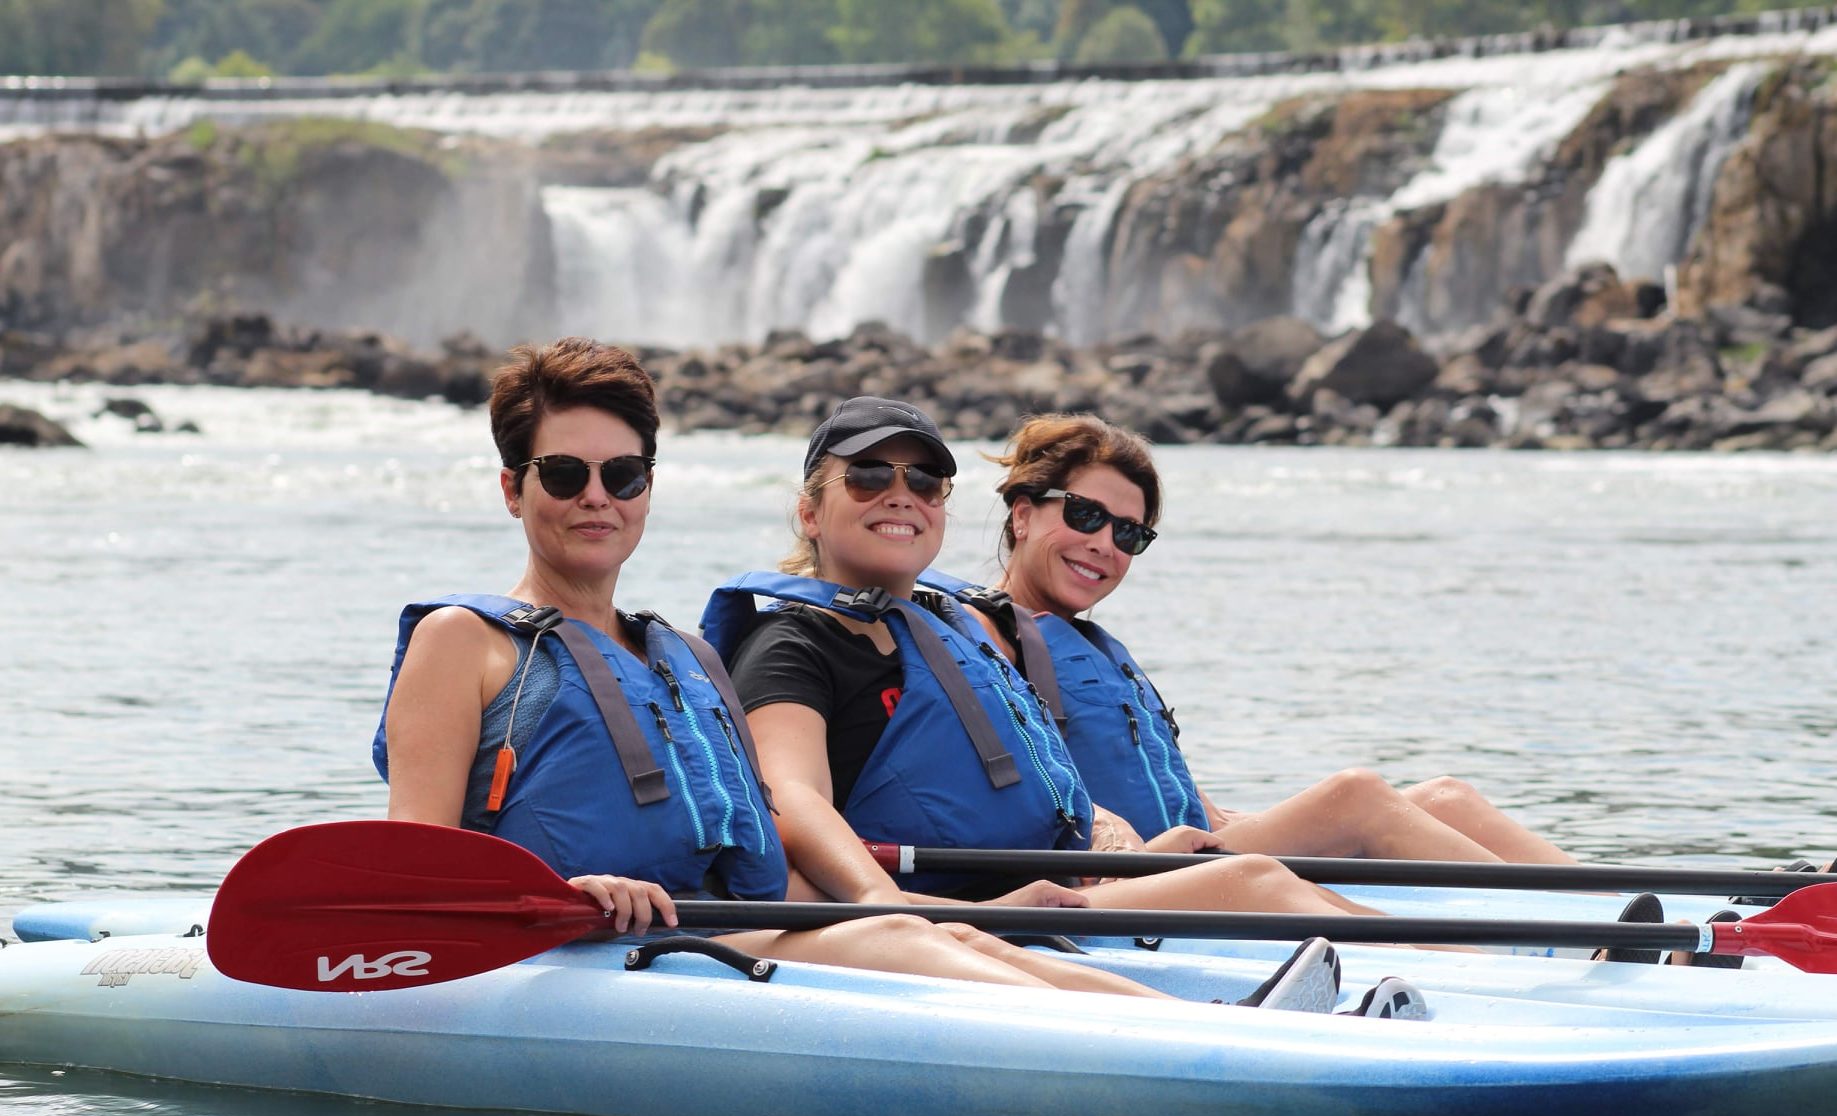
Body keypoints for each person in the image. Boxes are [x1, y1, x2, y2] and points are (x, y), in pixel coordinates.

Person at [370, 338, 1378, 1009]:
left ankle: (1244, 1033)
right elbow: (410, 875)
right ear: (514, 488)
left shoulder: (679, 659)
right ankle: (1226, 1043)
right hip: (578, 959)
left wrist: (952, 912)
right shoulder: (464, 642)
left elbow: (773, 855)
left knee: (967, 948)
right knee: (910, 947)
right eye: (565, 474)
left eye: (622, 475)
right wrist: (572, 889)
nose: (598, 497)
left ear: (647, 489)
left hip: (714, 941)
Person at [702, 396, 1434, 1012]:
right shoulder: (794, 644)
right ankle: (1414, 999)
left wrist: (1122, 850)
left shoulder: (950, 630)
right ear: (809, 511)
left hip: (1041, 894)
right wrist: (896, 909)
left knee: (1256, 868)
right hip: (936, 912)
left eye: (925, 482)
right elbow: (792, 797)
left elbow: (1050, 773)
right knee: (1255, 876)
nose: (901, 494)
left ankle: (1453, 980)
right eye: (866, 475)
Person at [931, 411, 1580, 868]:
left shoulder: (1094, 650)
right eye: (1084, 515)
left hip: (1208, 848)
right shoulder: (985, 634)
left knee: (1444, 797)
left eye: (1128, 533)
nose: (1104, 543)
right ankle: (1556, 941)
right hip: (1147, 875)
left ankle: (1637, 919)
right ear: (1022, 513)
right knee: (1355, 793)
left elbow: (1180, 796)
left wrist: (1266, 825)